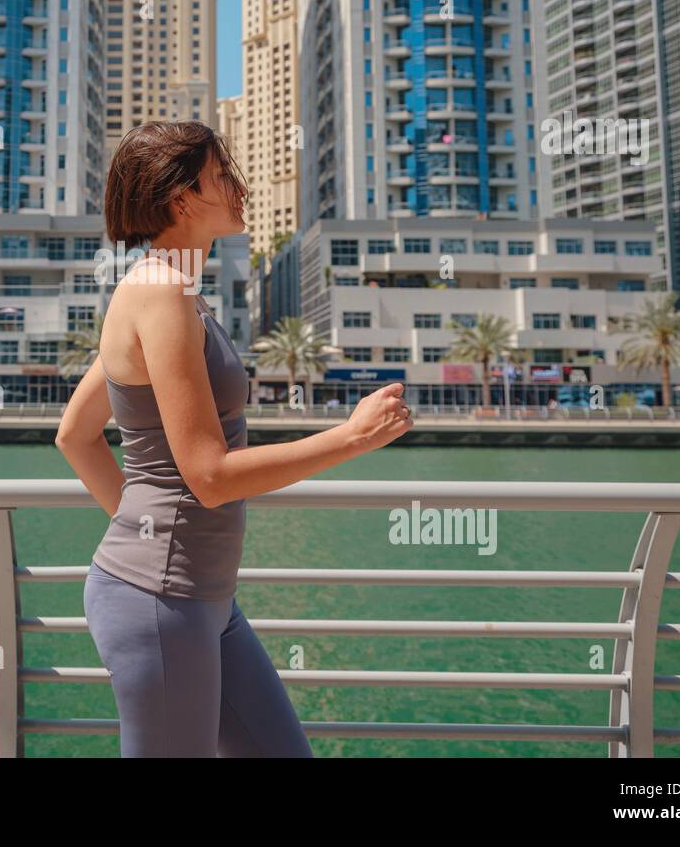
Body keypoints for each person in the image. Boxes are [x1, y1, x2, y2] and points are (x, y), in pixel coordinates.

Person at [56, 120, 413, 757]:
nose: (239, 186)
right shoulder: (160, 295)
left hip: (203, 599)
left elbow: (75, 436)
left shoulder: (172, 294)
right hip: (163, 604)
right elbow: (210, 475)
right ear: (182, 197)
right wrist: (352, 437)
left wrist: (150, 532)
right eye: (223, 175)